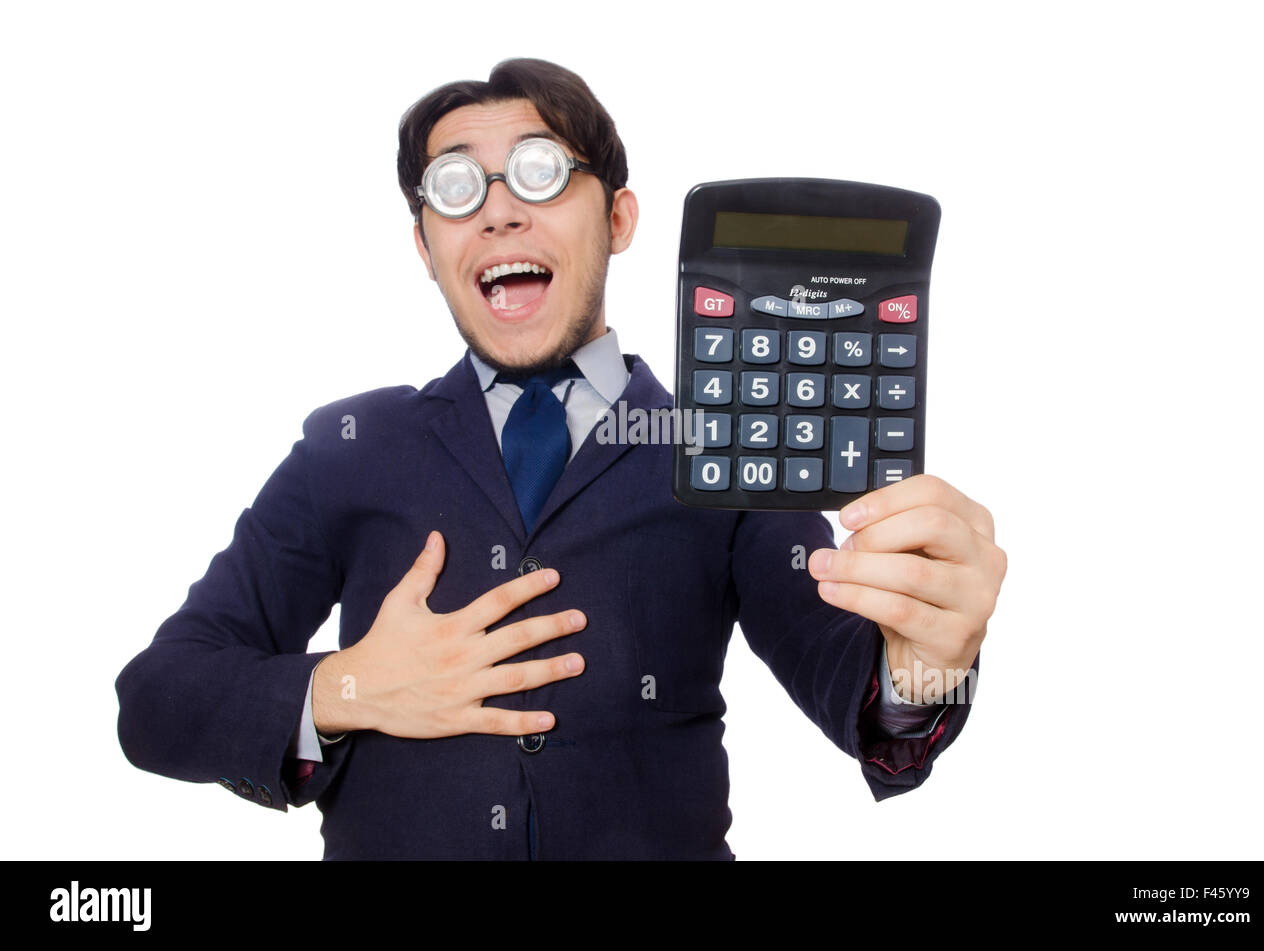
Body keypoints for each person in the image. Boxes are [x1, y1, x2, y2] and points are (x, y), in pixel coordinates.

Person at [116, 58, 1006, 860]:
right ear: (426, 247)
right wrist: (347, 686)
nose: (499, 208)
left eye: (540, 172)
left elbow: (869, 699)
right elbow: (158, 700)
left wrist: (929, 658)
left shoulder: (720, 441)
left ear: (617, 218)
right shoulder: (346, 448)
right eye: (456, 188)